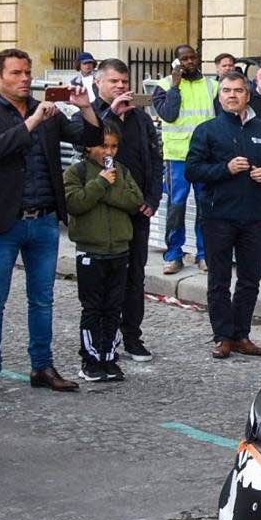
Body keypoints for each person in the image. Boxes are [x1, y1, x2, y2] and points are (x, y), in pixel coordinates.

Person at [0, 47, 101, 398]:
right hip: (0, 223)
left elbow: (90, 138)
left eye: (27, 72)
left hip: (42, 220)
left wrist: (86, 106)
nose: (25, 78)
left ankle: (42, 366)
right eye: (16, 73)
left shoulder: (49, 114)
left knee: (42, 299)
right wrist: (34, 120)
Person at [186, 72, 261, 356]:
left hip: (253, 217)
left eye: (238, 90)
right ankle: (222, 336)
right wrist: (225, 169)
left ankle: (242, 334)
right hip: (217, 216)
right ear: (219, 96)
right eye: (227, 90)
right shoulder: (207, 130)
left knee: (250, 279)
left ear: (248, 94)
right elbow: (192, 170)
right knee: (219, 280)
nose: (232, 95)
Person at [93, 58, 164, 362]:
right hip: (105, 211)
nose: (122, 87)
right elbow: (93, 151)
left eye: (124, 82)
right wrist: (111, 115)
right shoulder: (92, 114)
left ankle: (132, 335)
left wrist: (153, 198)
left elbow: (155, 160)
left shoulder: (142, 119)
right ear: (99, 83)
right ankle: (103, 338)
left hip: (138, 210)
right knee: (104, 278)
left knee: (135, 276)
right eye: (114, 82)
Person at [62, 124, 143, 383]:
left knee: (113, 307)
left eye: (113, 146)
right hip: (91, 251)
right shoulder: (77, 172)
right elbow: (75, 203)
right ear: (89, 147)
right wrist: (100, 184)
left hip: (119, 249)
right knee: (93, 308)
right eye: (103, 146)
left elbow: (134, 201)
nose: (108, 151)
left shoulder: (122, 171)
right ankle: (90, 359)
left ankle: (109, 356)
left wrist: (106, 191)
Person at [152, 43, 217, 275]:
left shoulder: (212, 86)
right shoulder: (163, 87)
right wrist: (175, 86)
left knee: (205, 206)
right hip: (177, 157)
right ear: (177, 62)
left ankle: (204, 254)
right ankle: (174, 254)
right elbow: (169, 114)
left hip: (205, 158)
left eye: (193, 58)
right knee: (176, 207)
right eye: (184, 59)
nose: (190, 62)